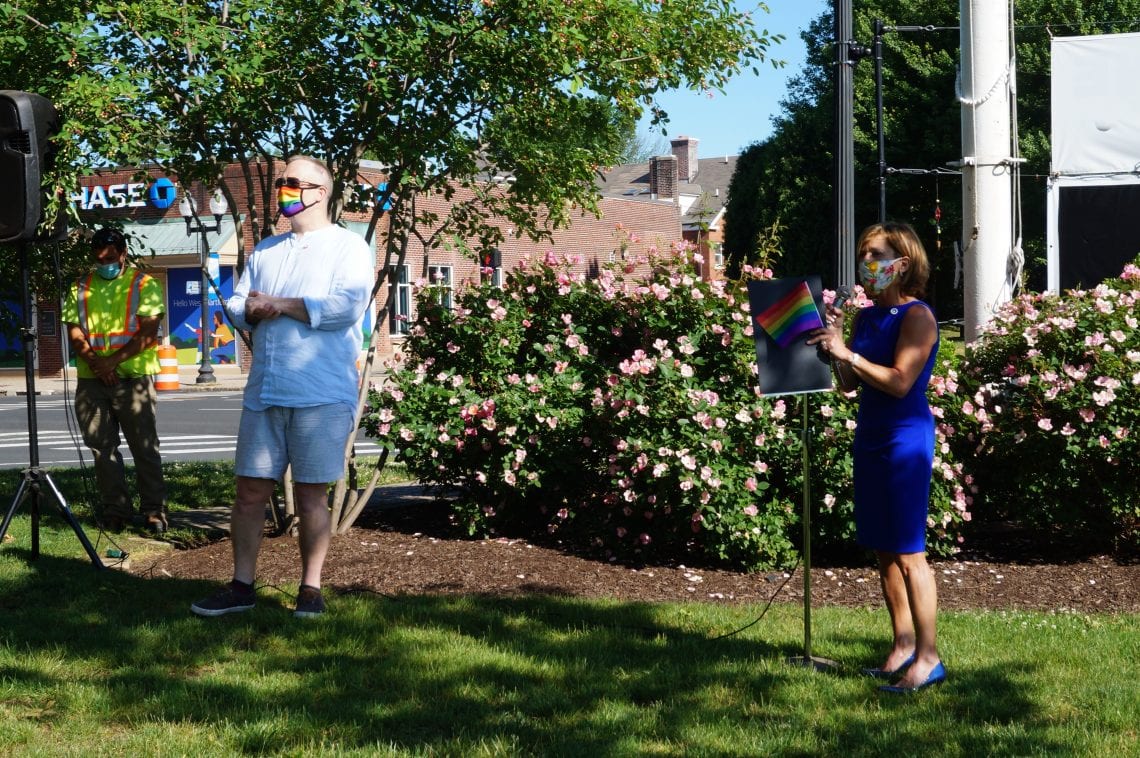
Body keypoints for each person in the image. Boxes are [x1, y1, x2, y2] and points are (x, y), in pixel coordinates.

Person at [191, 155, 373, 619]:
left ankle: (310, 588)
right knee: (249, 492)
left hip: (321, 393)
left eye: (293, 183)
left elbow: (344, 308)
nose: (284, 191)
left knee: (313, 495)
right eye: (280, 183)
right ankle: (241, 586)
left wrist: (280, 304)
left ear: (320, 192)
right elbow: (236, 303)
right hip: (265, 392)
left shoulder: (348, 247)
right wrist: (249, 310)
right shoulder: (266, 249)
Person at [808, 221, 945, 693]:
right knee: (884, 550)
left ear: (901, 264)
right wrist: (837, 347)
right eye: (865, 255)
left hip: (905, 439)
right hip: (870, 435)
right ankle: (902, 647)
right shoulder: (866, 318)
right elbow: (851, 388)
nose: (868, 265)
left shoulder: (918, 317)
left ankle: (929, 658)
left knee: (909, 553)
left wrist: (851, 354)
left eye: (876, 255)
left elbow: (901, 381)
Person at [62, 227, 168, 534]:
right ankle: (115, 509)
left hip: (133, 378)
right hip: (92, 381)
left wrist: (111, 361)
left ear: (123, 254)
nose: (104, 263)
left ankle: (154, 510)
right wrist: (98, 365)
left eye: (110, 257)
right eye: (98, 259)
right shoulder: (80, 287)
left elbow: (148, 334)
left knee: (143, 447)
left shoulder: (143, 284)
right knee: (102, 448)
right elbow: (75, 332)